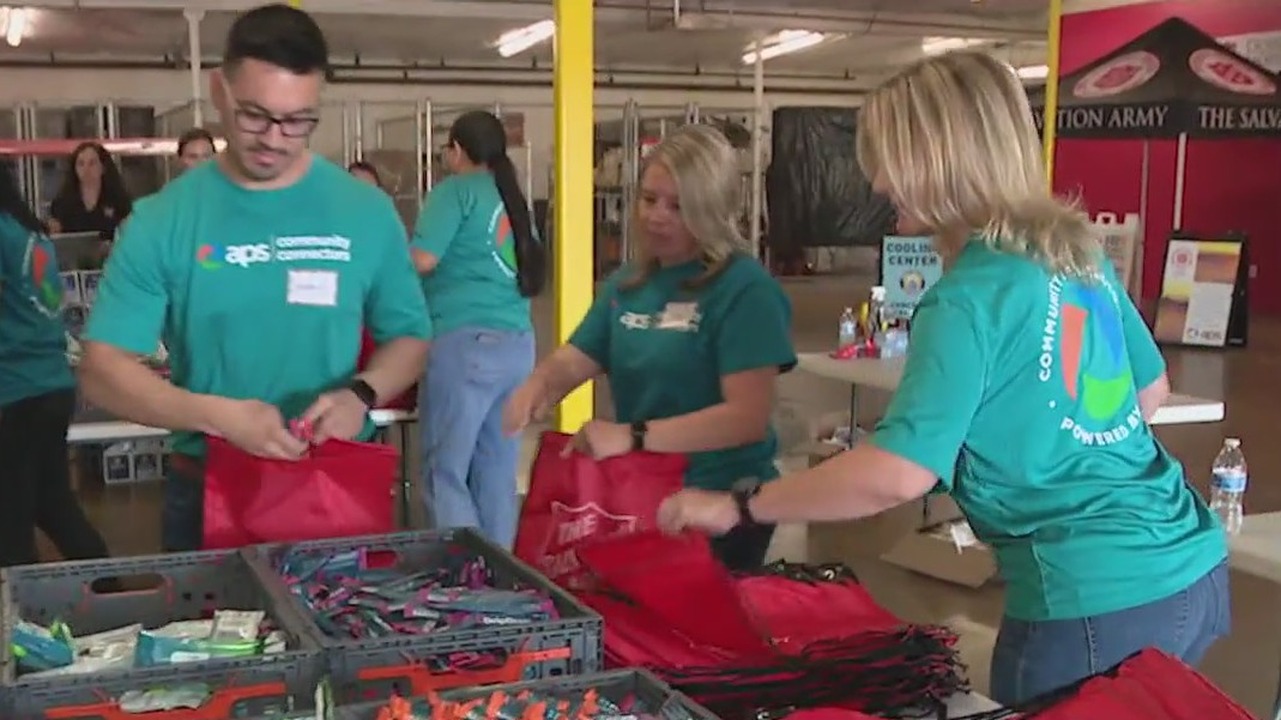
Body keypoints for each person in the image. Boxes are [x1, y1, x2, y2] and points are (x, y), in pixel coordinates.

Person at [657, 51, 1229, 705]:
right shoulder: (1076, 255)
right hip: (1190, 569)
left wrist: (738, 506)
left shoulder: (964, 296)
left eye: (887, 164)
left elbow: (894, 476)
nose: (875, 185)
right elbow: (1143, 393)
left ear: (941, 160)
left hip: (1087, 603)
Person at [77, 3, 431, 553]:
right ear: (220, 90)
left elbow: (409, 337)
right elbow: (102, 369)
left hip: (331, 481)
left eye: (298, 121)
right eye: (254, 116)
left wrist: (361, 393)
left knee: (343, 635)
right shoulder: (164, 219)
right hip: (211, 485)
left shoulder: (364, 212)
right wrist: (216, 415)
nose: (274, 138)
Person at [504, 124, 795, 570]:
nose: (656, 216)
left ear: (711, 211)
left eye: (677, 207)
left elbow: (746, 418)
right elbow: (577, 356)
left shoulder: (744, 290)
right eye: (648, 199)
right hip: (643, 493)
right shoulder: (629, 285)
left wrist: (633, 436)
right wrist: (540, 384)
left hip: (718, 500)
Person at [410, 110, 543, 549]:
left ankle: (461, 582)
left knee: (444, 470)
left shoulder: (455, 192)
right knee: (495, 470)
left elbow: (423, 260)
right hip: (518, 347)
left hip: (466, 345)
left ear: (458, 151)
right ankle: (500, 583)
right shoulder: (513, 199)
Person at [0, 163, 111, 567]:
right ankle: (110, 591)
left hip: (14, 391)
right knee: (50, 504)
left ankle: (15, 620)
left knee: (10, 517)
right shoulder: (30, 232)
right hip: (50, 383)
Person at [47, 141, 133, 238]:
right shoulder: (62, 204)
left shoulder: (119, 202)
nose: (86, 169)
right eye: (81, 164)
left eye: (92, 163)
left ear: (103, 167)